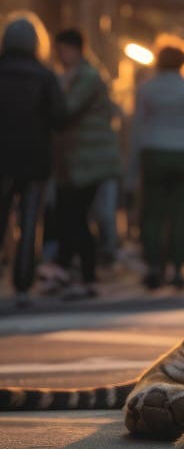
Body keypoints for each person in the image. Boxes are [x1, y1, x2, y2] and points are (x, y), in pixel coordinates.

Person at [128, 42, 184, 289]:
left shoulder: (146, 89)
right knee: (182, 213)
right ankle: (178, 268)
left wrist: (132, 170)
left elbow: (137, 129)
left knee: (153, 212)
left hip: (154, 152)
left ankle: (154, 266)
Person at [0, 15, 67, 306]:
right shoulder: (45, 75)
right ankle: (23, 286)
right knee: (29, 223)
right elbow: (60, 118)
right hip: (34, 160)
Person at [53, 29, 122, 299]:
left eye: (63, 49)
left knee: (76, 215)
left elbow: (67, 108)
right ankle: (71, 272)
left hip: (91, 160)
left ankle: (87, 275)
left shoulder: (87, 77)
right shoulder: (72, 76)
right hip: (78, 159)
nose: (59, 55)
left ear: (76, 49)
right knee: (72, 215)